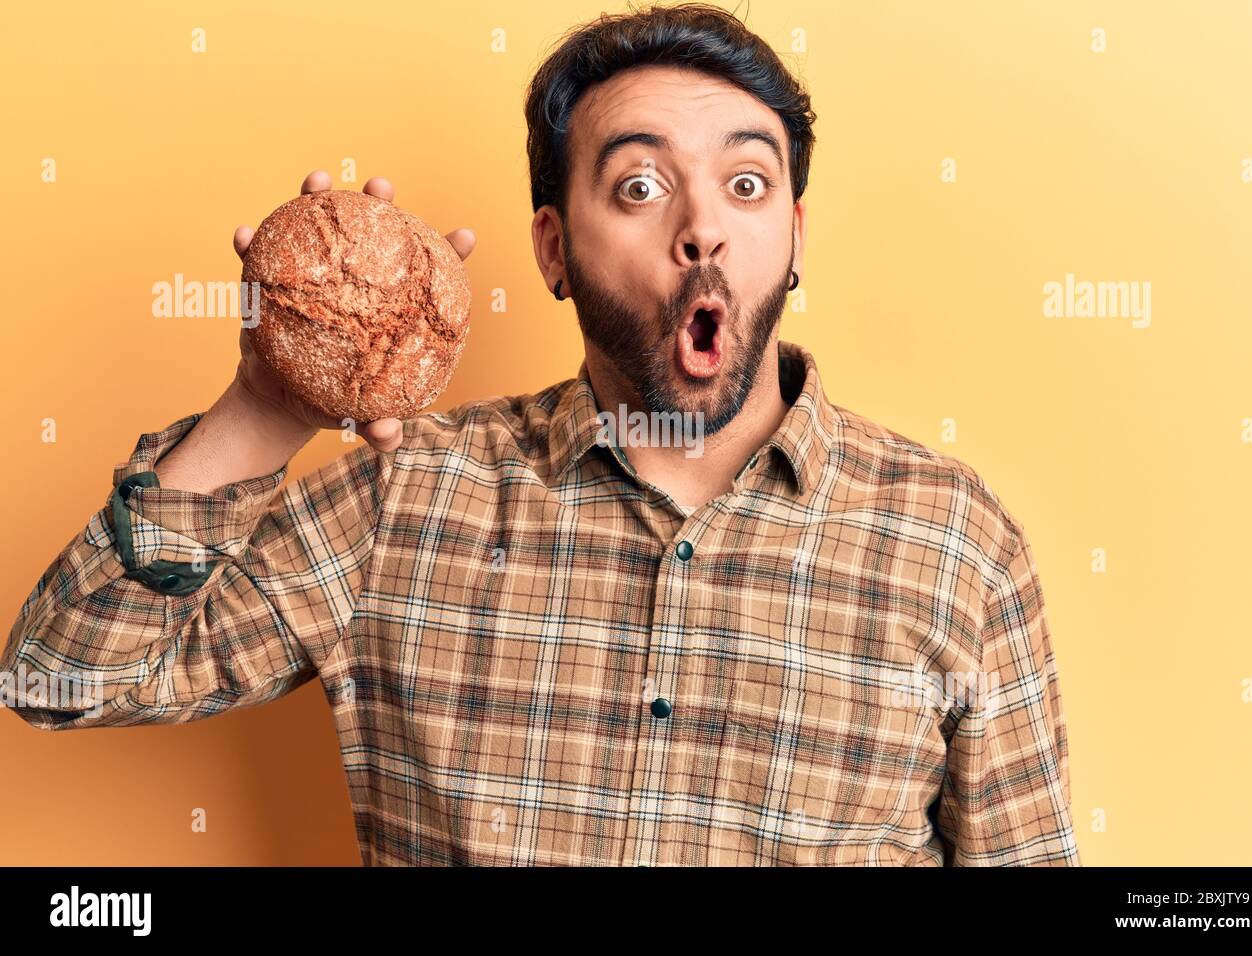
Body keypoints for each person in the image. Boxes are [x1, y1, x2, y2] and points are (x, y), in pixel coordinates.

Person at [1, 2, 1078, 866]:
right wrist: (267, 405)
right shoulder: (401, 497)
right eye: (640, 184)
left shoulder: (952, 542)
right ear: (553, 251)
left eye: (746, 183)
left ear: (792, 238)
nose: (700, 223)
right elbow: (59, 680)